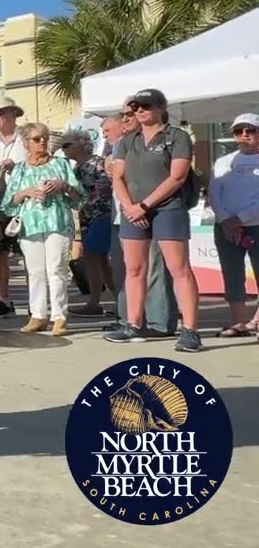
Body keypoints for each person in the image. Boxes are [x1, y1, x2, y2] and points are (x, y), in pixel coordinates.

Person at [106, 88, 202, 352]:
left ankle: (191, 330)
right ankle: (133, 324)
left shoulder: (177, 137)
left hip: (168, 208)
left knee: (178, 267)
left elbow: (178, 177)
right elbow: (118, 176)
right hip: (133, 210)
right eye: (136, 106)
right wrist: (129, 207)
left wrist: (145, 205)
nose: (139, 110)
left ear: (161, 107)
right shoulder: (127, 140)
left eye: (145, 106)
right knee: (134, 268)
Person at [2, 123, 83, 337]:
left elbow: (79, 197)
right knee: (35, 271)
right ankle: (38, 314)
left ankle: (59, 316)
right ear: (26, 143)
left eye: (45, 138)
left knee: (56, 269)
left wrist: (63, 186)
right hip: (30, 224)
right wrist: (25, 192)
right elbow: (8, 204)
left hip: (57, 221)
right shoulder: (19, 169)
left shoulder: (61, 164)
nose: (42, 142)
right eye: (37, 139)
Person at [208, 112, 259, 341]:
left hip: (255, 224)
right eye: (239, 131)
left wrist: (240, 219)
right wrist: (227, 221)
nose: (244, 135)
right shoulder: (223, 162)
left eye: (250, 130)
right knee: (232, 275)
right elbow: (214, 193)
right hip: (226, 227)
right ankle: (239, 322)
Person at [60, 128, 114, 316]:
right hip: (89, 216)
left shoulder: (96, 163)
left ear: (82, 143)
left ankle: (95, 301)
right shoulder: (78, 167)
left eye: (67, 145)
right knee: (100, 260)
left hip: (101, 214)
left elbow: (105, 189)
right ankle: (118, 299)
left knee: (93, 257)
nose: (64, 149)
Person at [0, 96, 27, 318]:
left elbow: (37, 164)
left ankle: (35, 304)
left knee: (28, 252)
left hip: (23, 203)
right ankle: (4, 300)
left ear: (12, 113)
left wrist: (16, 164)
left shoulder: (26, 139)